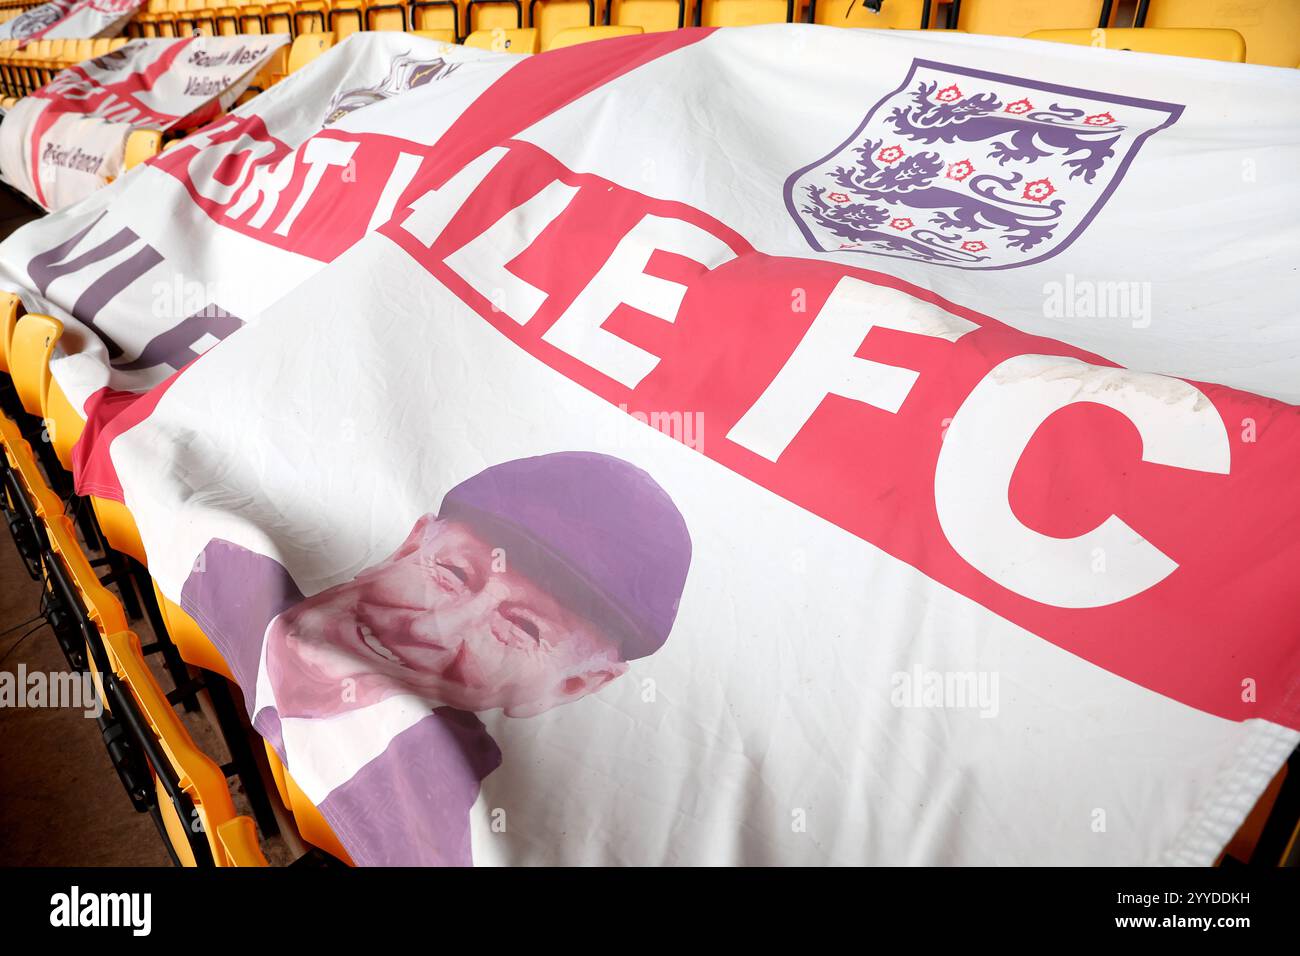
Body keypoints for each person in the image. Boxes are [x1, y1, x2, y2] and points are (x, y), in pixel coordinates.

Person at [181, 451, 692, 864]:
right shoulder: (203, 556)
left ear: (570, 686)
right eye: (452, 572)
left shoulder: (459, 827)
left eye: (518, 627)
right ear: (409, 546)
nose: (430, 628)